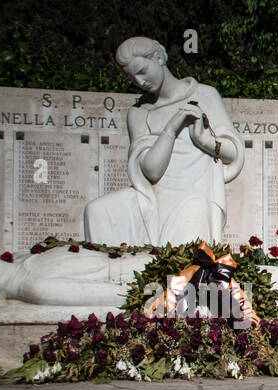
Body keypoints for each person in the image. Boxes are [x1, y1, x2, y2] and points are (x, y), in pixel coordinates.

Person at [83, 37, 244, 246]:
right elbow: (151, 171)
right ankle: (110, 275)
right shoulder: (139, 113)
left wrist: (203, 139)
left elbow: (232, 152)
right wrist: (171, 128)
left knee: (183, 259)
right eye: (132, 77)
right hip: (153, 198)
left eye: (141, 71)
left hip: (193, 197)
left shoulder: (204, 94)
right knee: (97, 211)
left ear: (158, 57)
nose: (140, 82)